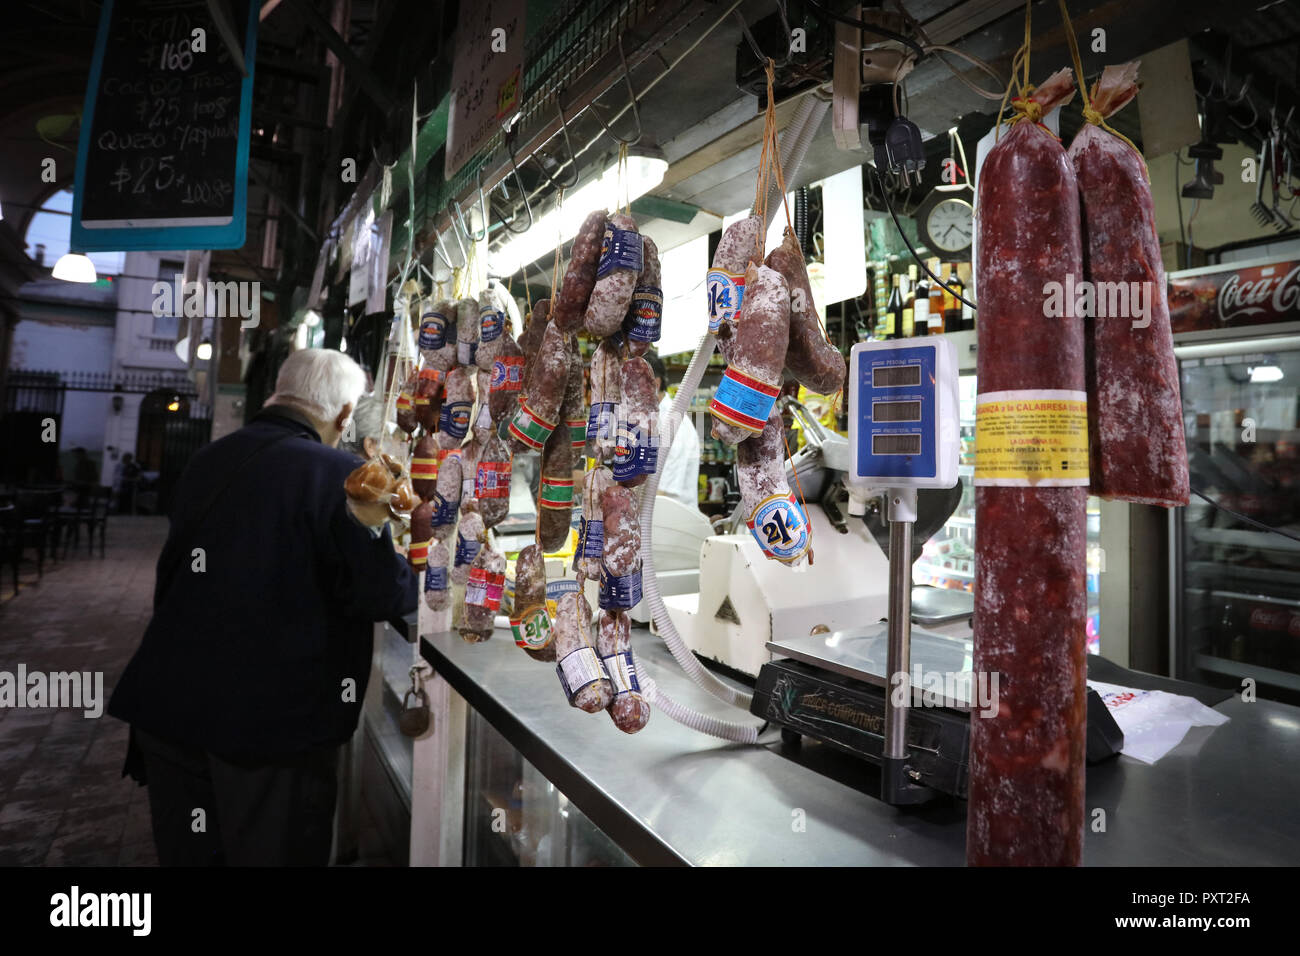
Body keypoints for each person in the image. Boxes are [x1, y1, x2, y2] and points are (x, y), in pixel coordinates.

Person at [108, 349, 417, 866]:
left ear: (280, 391)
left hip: (167, 707)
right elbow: (383, 595)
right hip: (269, 733)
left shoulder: (210, 458)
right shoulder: (341, 474)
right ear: (344, 415)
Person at [645, 351, 701, 509]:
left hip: (672, 521)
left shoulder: (674, 422)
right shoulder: (651, 418)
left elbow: (665, 491)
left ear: (655, 384)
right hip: (658, 517)